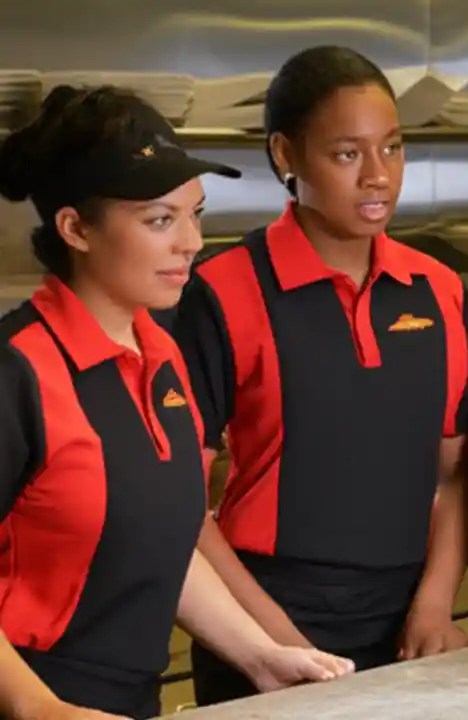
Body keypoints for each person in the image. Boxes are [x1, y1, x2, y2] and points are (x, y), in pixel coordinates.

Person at [0, 86, 354, 720]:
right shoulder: (17, 371)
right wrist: (34, 705)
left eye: (196, 213)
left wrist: (257, 653)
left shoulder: (160, 356)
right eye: (160, 220)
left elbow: (155, 537)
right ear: (75, 229)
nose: (191, 241)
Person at [170, 46, 468, 706]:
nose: (378, 177)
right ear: (285, 155)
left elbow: (457, 471)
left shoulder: (440, 291)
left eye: (392, 149)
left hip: (405, 629)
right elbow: (180, 506)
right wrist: (275, 640)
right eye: (347, 154)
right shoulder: (223, 292)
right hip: (265, 618)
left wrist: (435, 604)